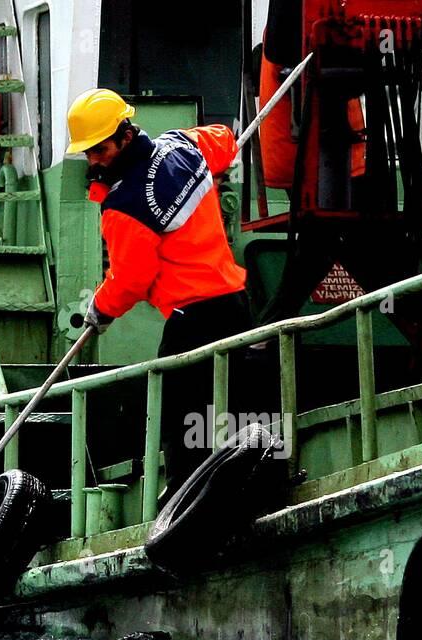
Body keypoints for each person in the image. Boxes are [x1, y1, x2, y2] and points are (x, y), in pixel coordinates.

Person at [67, 88, 253, 499]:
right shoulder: (181, 145)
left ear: (125, 136)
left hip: (193, 318)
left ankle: (184, 502)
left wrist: (99, 309)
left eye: (100, 150)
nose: (94, 161)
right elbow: (224, 139)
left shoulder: (125, 207)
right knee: (239, 401)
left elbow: (131, 278)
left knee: (179, 410)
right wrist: (212, 174)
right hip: (236, 305)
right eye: (88, 154)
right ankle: (255, 481)